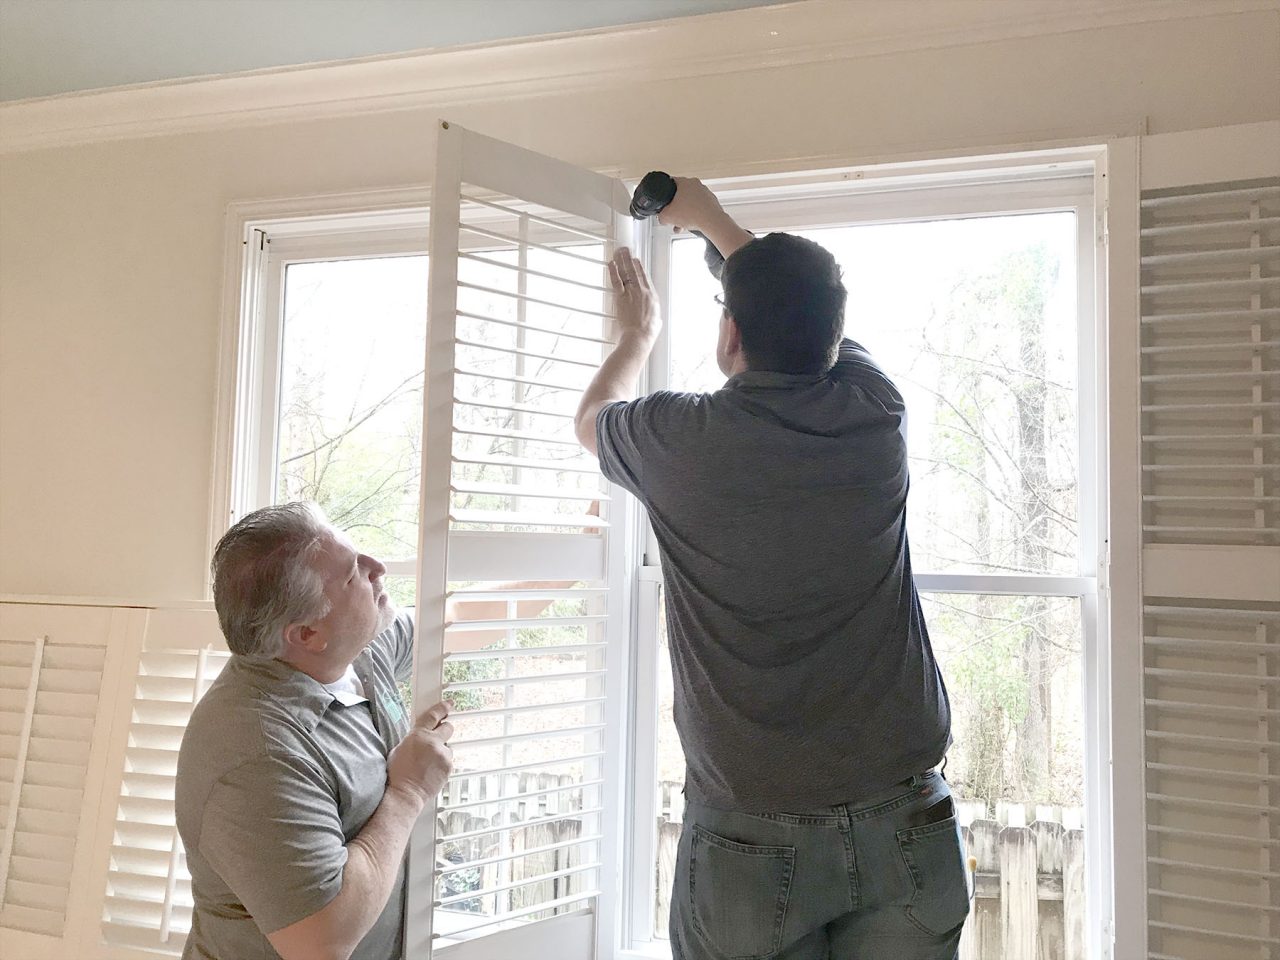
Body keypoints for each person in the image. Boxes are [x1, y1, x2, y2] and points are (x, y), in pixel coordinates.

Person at [575, 180, 969, 959]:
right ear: (836, 332)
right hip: (908, 816)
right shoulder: (873, 411)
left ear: (728, 337)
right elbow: (801, 305)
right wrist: (720, 225)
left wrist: (635, 336)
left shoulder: (681, 440)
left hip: (753, 831)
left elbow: (590, 422)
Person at [176, 502, 453, 960]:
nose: (377, 568)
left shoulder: (354, 651)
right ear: (306, 634)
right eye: (353, 574)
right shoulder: (255, 752)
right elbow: (321, 941)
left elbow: (456, 621)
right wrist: (408, 792)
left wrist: (569, 563)